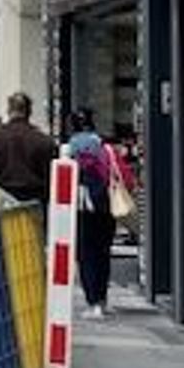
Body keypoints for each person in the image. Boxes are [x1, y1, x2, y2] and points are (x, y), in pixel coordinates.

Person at [66, 109, 117, 318]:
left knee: (85, 254)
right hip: (105, 206)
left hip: (82, 207)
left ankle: (92, 301)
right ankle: (103, 299)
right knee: (103, 252)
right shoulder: (104, 145)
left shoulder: (70, 148)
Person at [0, 93, 60, 205]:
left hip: (4, 199)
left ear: (9, 110)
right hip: (34, 200)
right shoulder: (44, 141)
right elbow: (50, 175)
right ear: (29, 112)